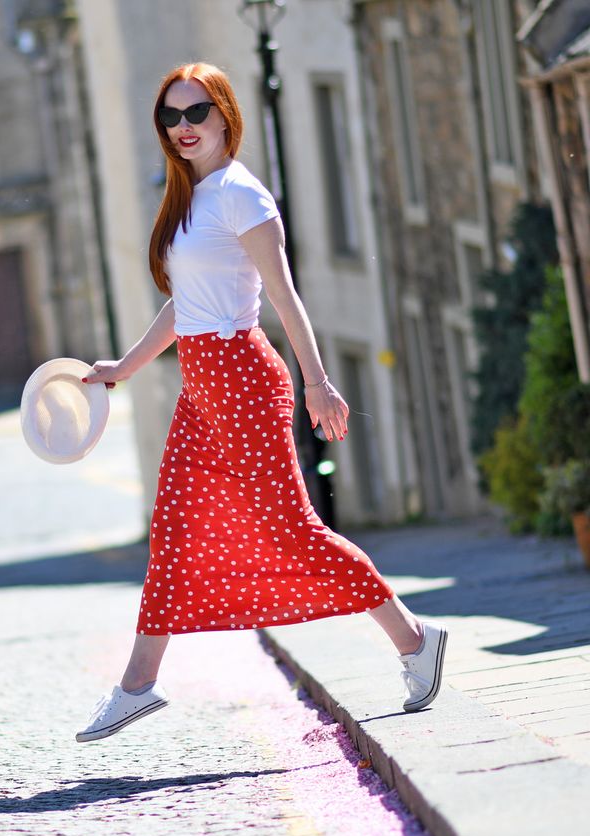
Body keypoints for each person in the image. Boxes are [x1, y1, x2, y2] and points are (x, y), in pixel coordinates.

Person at [77, 63, 447, 743]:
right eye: (170, 117)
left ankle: (415, 639)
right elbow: (184, 306)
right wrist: (124, 367)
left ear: (224, 115)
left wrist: (317, 380)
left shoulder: (241, 196)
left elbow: (284, 295)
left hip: (244, 380)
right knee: (175, 533)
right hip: (202, 386)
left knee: (294, 532)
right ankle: (136, 685)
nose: (183, 129)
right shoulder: (193, 198)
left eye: (195, 114)